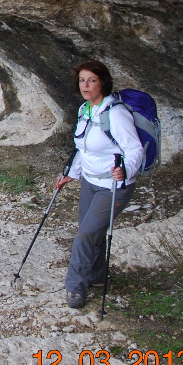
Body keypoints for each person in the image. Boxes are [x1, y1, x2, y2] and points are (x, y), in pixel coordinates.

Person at [55, 60, 144, 309]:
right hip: (90, 182)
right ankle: (96, 275)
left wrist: (125, 170)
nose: (86, 85)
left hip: (114, 186)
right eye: (82, 80)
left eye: (91, 80)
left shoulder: (115, 113)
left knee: (85, 234)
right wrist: (71, 174)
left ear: (102, 82)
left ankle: (75, 285)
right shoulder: (85, 109)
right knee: (91, 231)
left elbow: (134, 148)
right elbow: (83, 148)